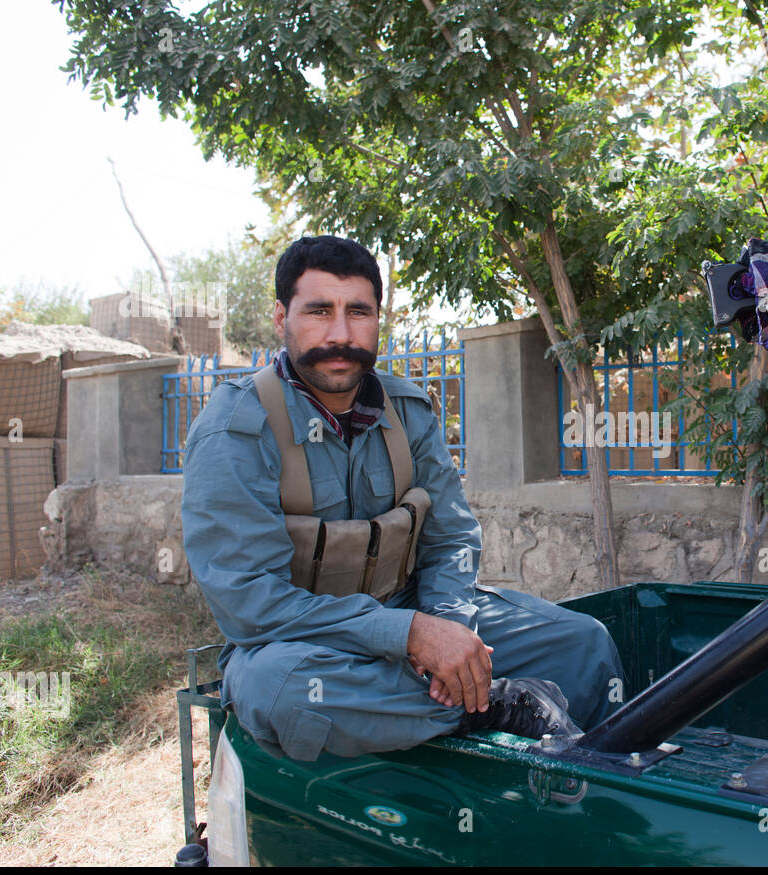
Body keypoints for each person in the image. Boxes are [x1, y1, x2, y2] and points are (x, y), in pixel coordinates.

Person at [181, 235, 626, 761]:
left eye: (359, 312)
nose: (341, 334)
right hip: (301, 642)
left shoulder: (408, 412)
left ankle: (588, 788)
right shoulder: (235, 430)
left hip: (413, 609)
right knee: (280, 691)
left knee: (582, 644)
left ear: (378, 320)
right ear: (282, 318)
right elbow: (250, 604)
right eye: (319, 311)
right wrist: (408, 636)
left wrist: (449, 629)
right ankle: (498, 706)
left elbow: (451, 539)